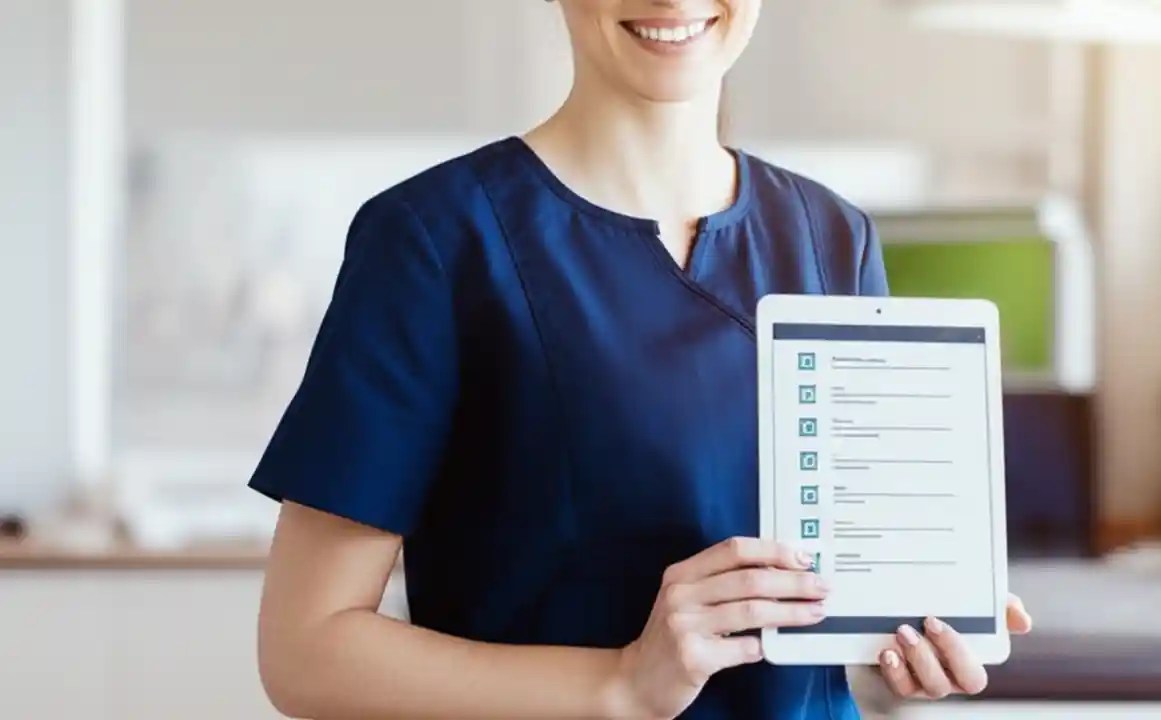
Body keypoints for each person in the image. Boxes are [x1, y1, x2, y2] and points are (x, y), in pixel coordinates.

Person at [249, 1, 1033, 718]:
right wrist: (621, 684)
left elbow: (832, 591)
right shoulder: (436, 242)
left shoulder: (834, 238)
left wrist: (911, 618)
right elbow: (306, 652)